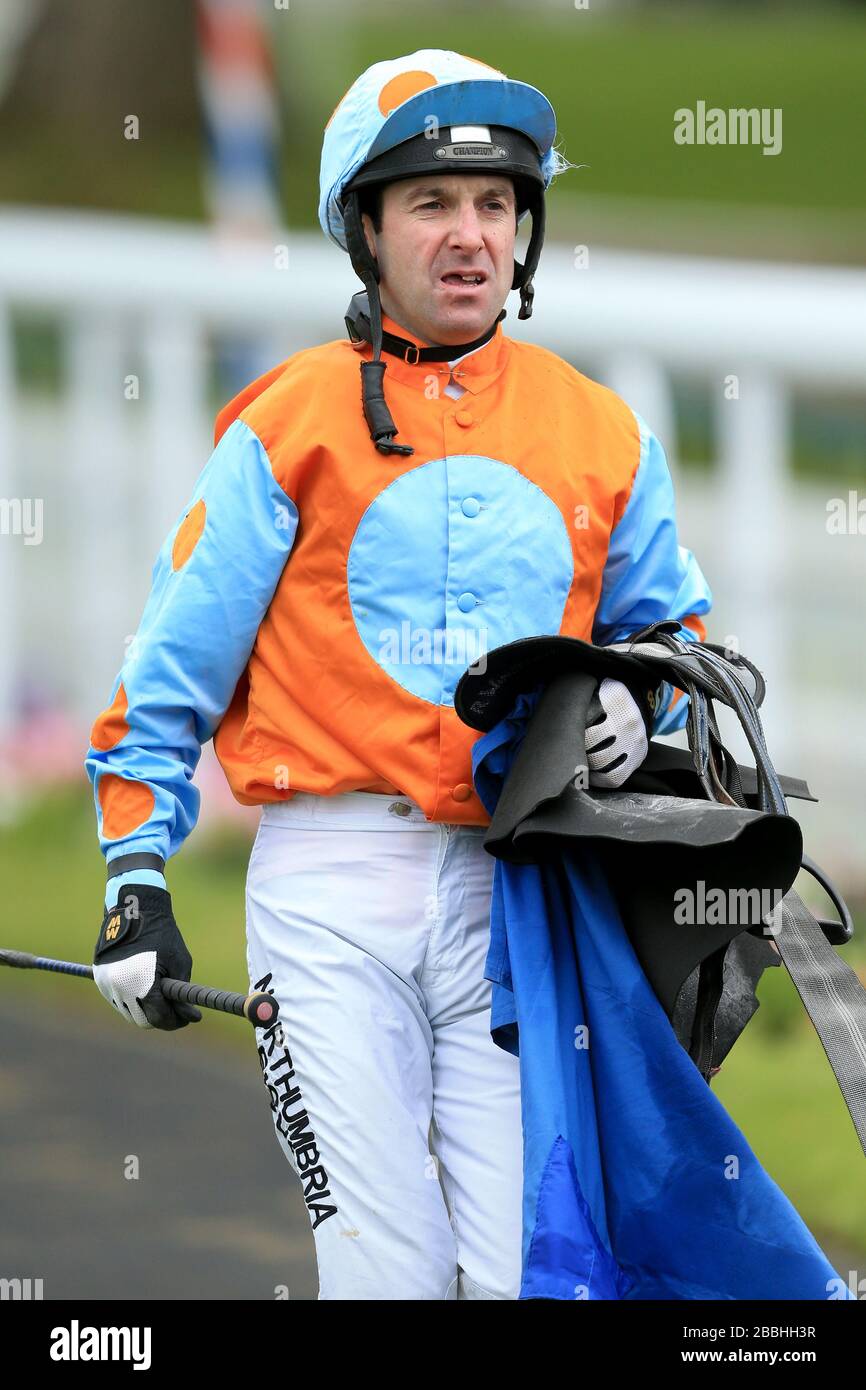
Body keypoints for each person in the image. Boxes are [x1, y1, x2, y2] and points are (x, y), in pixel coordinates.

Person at [85, 49, 711, 1300]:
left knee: (527, 1276)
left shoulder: (602, 431)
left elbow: (683, 652)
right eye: (431, 203)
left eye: (495, 206)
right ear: (365, 231)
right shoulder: (281, 427)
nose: (470, 236)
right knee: (387, 1276)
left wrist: (635, 710)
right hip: (327, 895)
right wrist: (135, 883)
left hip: (514, 899)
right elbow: (167, 679)